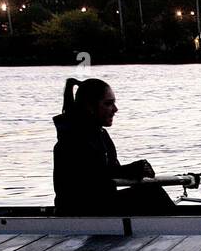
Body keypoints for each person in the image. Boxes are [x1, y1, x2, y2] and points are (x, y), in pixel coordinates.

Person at [52, 77, 173, 215]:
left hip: (100, 204)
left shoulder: (101, 135)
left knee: (151, 190)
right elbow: (91, 178)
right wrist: (131, 170)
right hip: (77, 210)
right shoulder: (72, 139)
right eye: (108, 104)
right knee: (152, 193)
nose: (115, 109)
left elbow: (111, 171)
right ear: (89, 106)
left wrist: (137, 169)